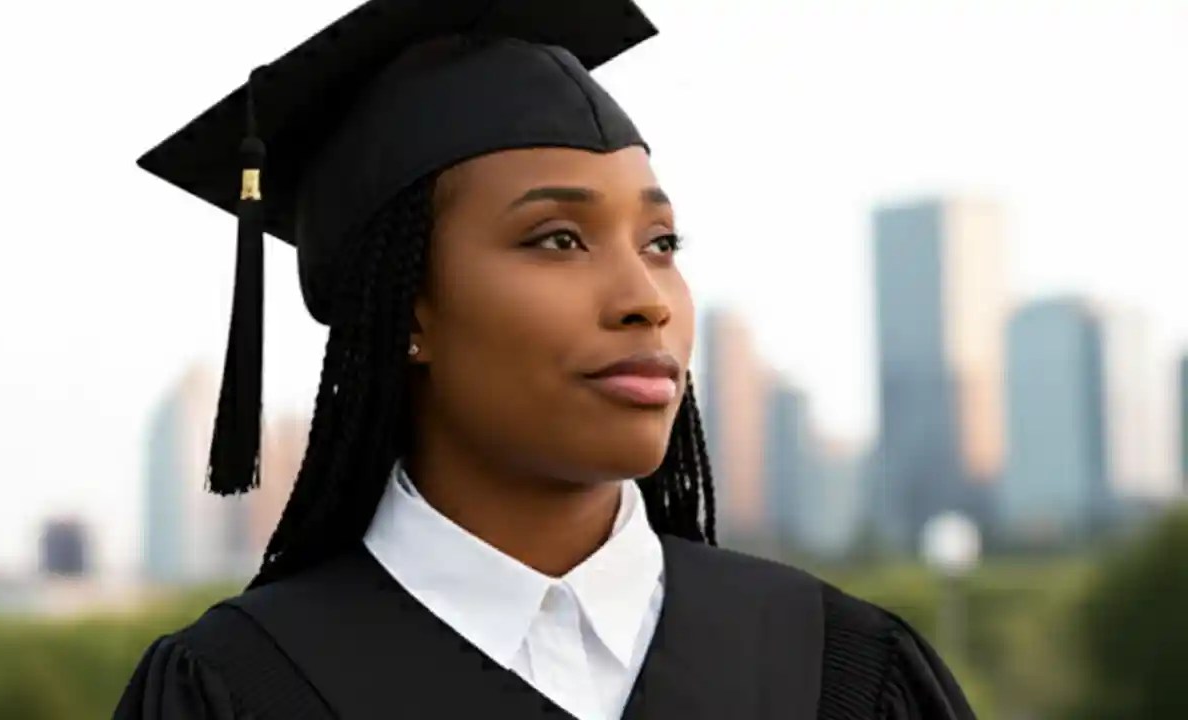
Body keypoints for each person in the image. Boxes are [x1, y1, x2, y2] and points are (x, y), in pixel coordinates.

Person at [115, 0, 977, 718]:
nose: (645, 294)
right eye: (558, 238)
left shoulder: (839, 671)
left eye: (661, 240)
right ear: (405, 312)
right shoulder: (240, 692)